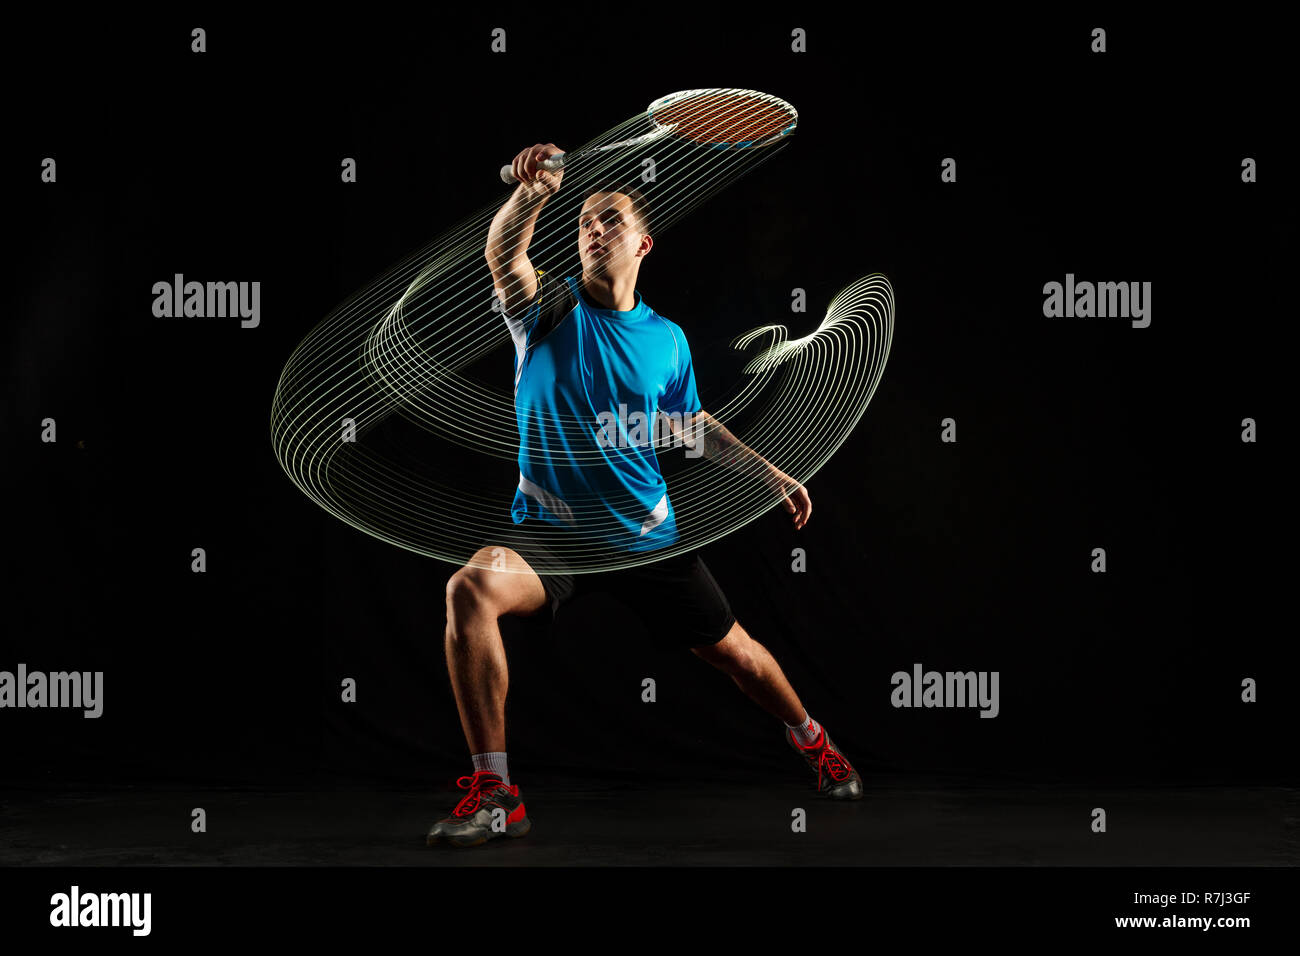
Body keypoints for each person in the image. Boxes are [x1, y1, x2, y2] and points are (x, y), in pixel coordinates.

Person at [426, 143, 862, 848]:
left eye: (609, 220)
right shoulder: (545, 310)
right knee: (470, 589)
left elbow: (690, 424)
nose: (594, 230)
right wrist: (533, 194)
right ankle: (499, 794)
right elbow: (504, 257)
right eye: (586, 223)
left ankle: (813, 739)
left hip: (646, 537)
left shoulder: (667, 340)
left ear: (643, 241)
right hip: (554, 532)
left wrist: (773, 475)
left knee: (740, 658)